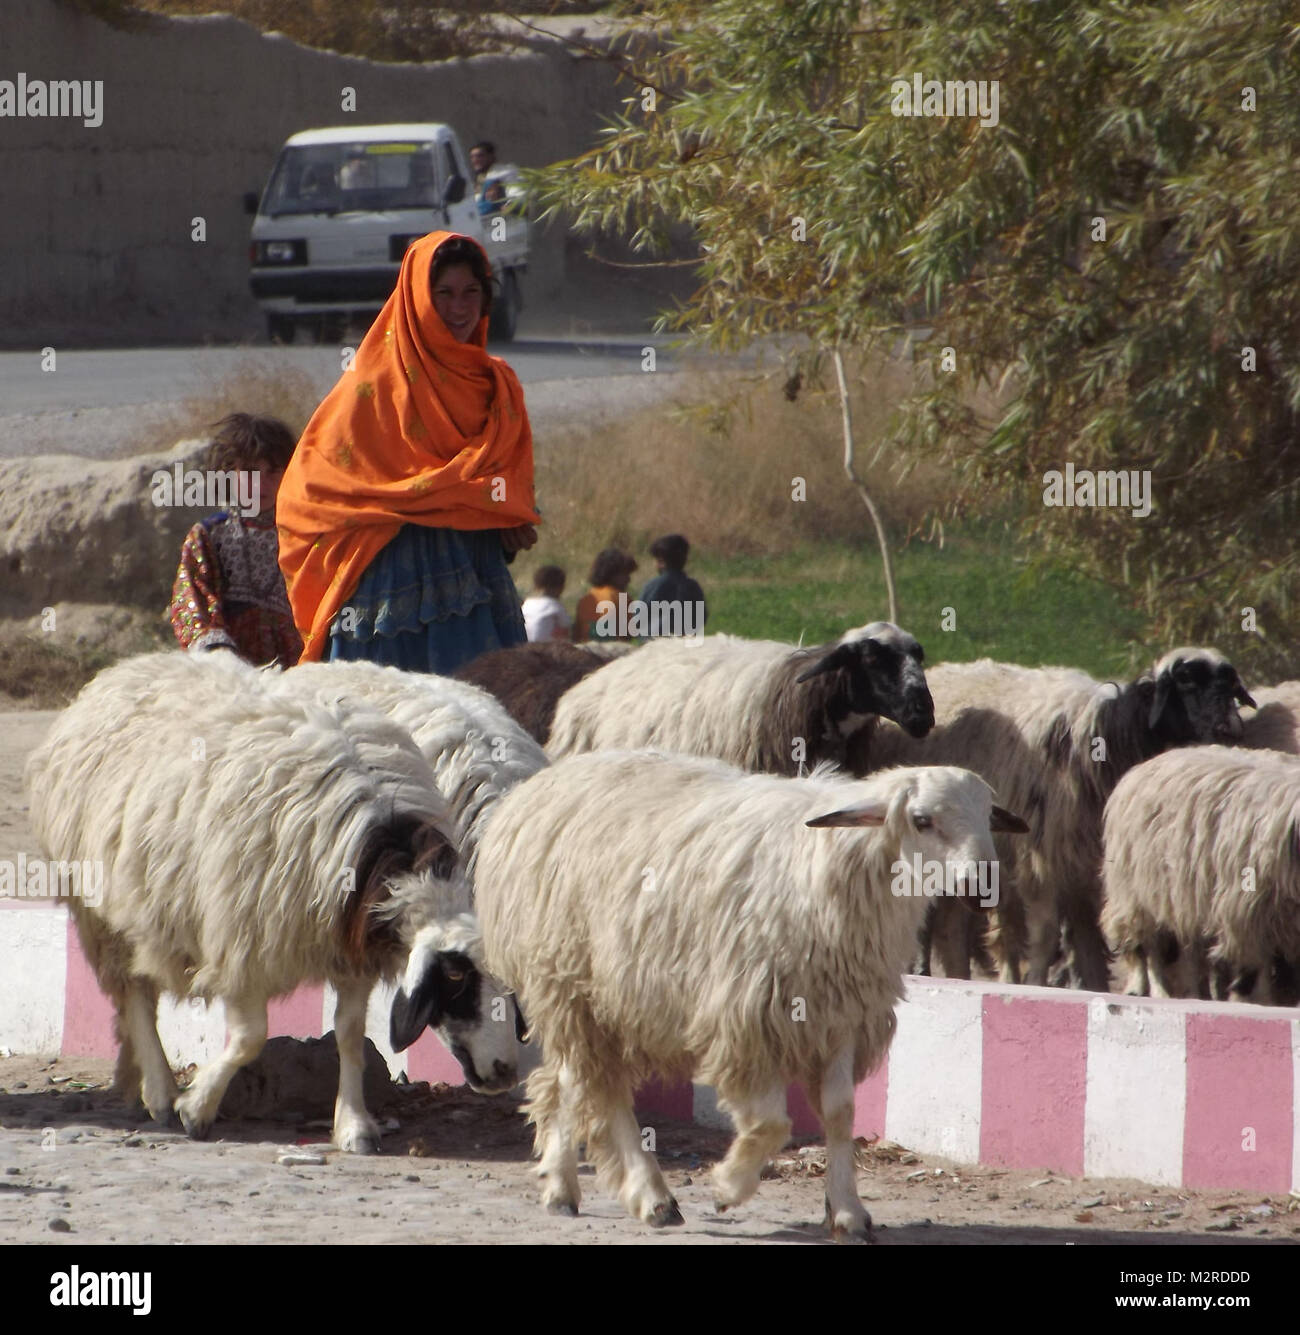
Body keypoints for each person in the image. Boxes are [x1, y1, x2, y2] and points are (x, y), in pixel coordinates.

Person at [276, 230, 539, 672]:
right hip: (387, 591)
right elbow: (310, 493)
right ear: (417, 296)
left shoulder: (497, 386)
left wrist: (508, 522)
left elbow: (501, 486)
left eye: (471, 292)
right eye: (444, 294)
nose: (460, 308)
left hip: (475, 583)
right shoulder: (372, 385)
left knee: (483, 719)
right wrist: (399, 510)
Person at [169, 413, 303, 666]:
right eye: (251, 471)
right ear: (228, 471)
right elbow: (193, 596)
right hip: (229, 666)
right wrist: (216, 649)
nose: (261, 483)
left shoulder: (304, 534)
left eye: (273, 472)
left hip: (297, 664)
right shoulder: (210, 535)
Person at [637, 533, 707, 637]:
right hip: (685, 641)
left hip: (654, 643)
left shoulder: (653, 586)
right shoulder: (692, 586)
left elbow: (638, 617)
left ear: (661, 562)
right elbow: (702, 616)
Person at [573, 548, 637, 641]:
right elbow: (629, 634)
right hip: (613, 652)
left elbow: (577, 634)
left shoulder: (585, 599)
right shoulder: (621, 599)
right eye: (625, 574)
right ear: (611, 573)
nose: (628, 579)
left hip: (587, 651)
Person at [522, 565, 571, 642]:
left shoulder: (527, 603)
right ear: (560, 587)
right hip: (545, 649)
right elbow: (566, 626)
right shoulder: (555, 606)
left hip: (524, 644)